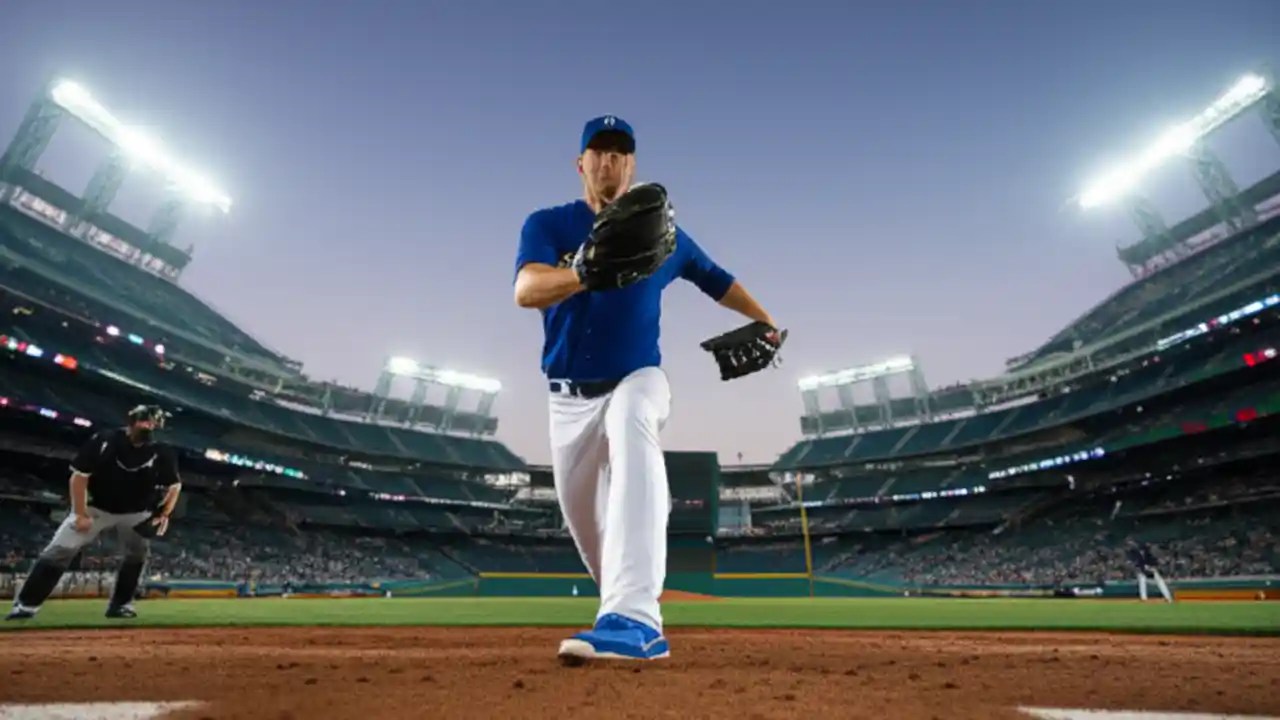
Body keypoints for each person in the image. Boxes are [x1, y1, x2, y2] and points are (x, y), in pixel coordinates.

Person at [513, 115, 779, 662]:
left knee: (635, 416)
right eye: (599, 152)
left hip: (638, 377)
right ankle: (619, 607)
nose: (609, 162)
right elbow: (526, 290)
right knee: (597, 548)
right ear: (580, 163)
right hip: (566, 402)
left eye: (620, 153)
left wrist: (766, 320)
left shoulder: (666, 236)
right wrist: (586, 271)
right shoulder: (549, 224)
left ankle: (636, 621)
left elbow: (719, 280)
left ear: (633, 164)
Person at [7, 405, 182, 620]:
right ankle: (25, 606)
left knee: (137, 555)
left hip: (137, 511)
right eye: (145, 421)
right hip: (96, 506)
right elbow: (79, 476)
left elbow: (174, 486)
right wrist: (79, 513)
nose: (149, 426)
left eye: (153, 423)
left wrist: (163, 513)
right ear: (132, 421)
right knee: (60, 549)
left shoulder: (162, 450)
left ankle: (121, 605)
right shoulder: (105, 440)